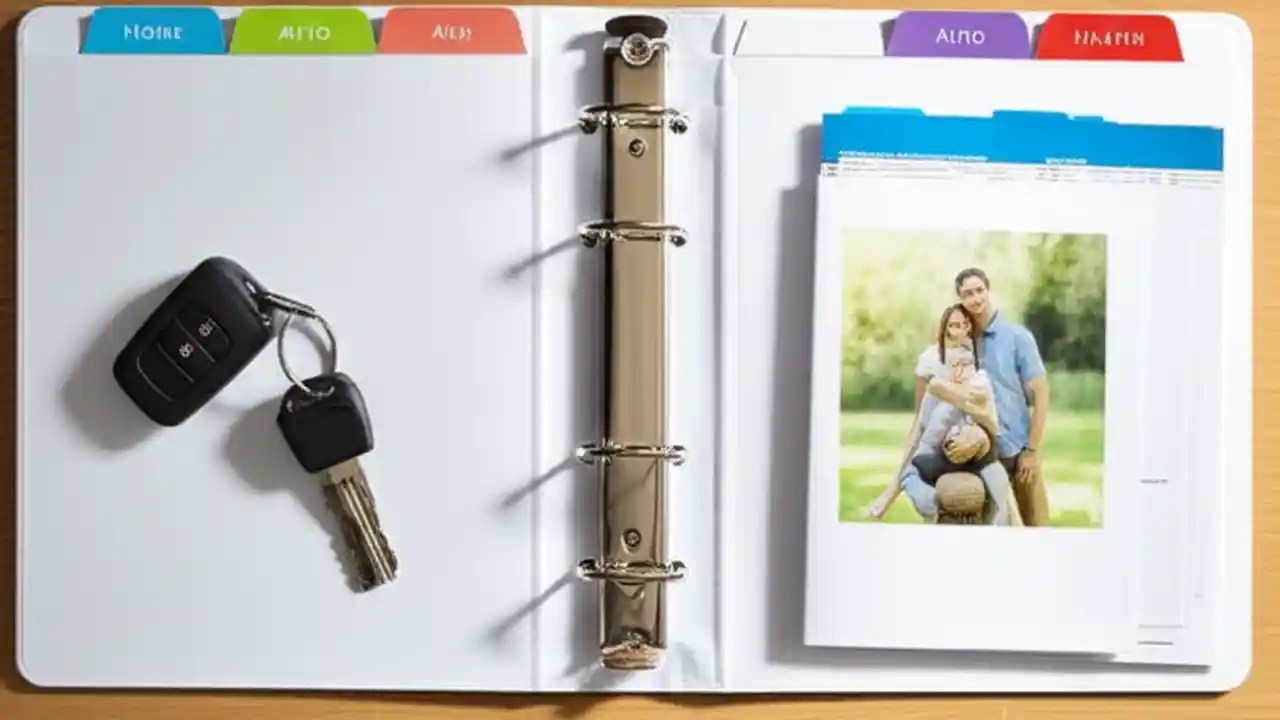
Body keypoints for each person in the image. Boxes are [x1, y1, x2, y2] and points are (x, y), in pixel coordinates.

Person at [866, 304, 1014, 525]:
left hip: (976, 454)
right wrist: (891, 492)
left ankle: (1001, 526)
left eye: (968, 364)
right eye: (957, 365)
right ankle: (936, 514)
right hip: (938, 457)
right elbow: (919, 429)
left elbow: (994, 428)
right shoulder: (935, 387)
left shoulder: (981, 386)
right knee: (916, 478)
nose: (962, 369)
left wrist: (971, 408)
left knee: (996, 478)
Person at [953, 267, 1052, 525]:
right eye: (967, 294)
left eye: (979, 290)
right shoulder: (961, 341)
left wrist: (1031, 450)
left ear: (988, 290)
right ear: (960, 299)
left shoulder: (1018, 337)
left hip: (1019, 451)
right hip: (980, 454)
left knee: (1037, 527)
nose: (975, 299)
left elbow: (1041, 394)